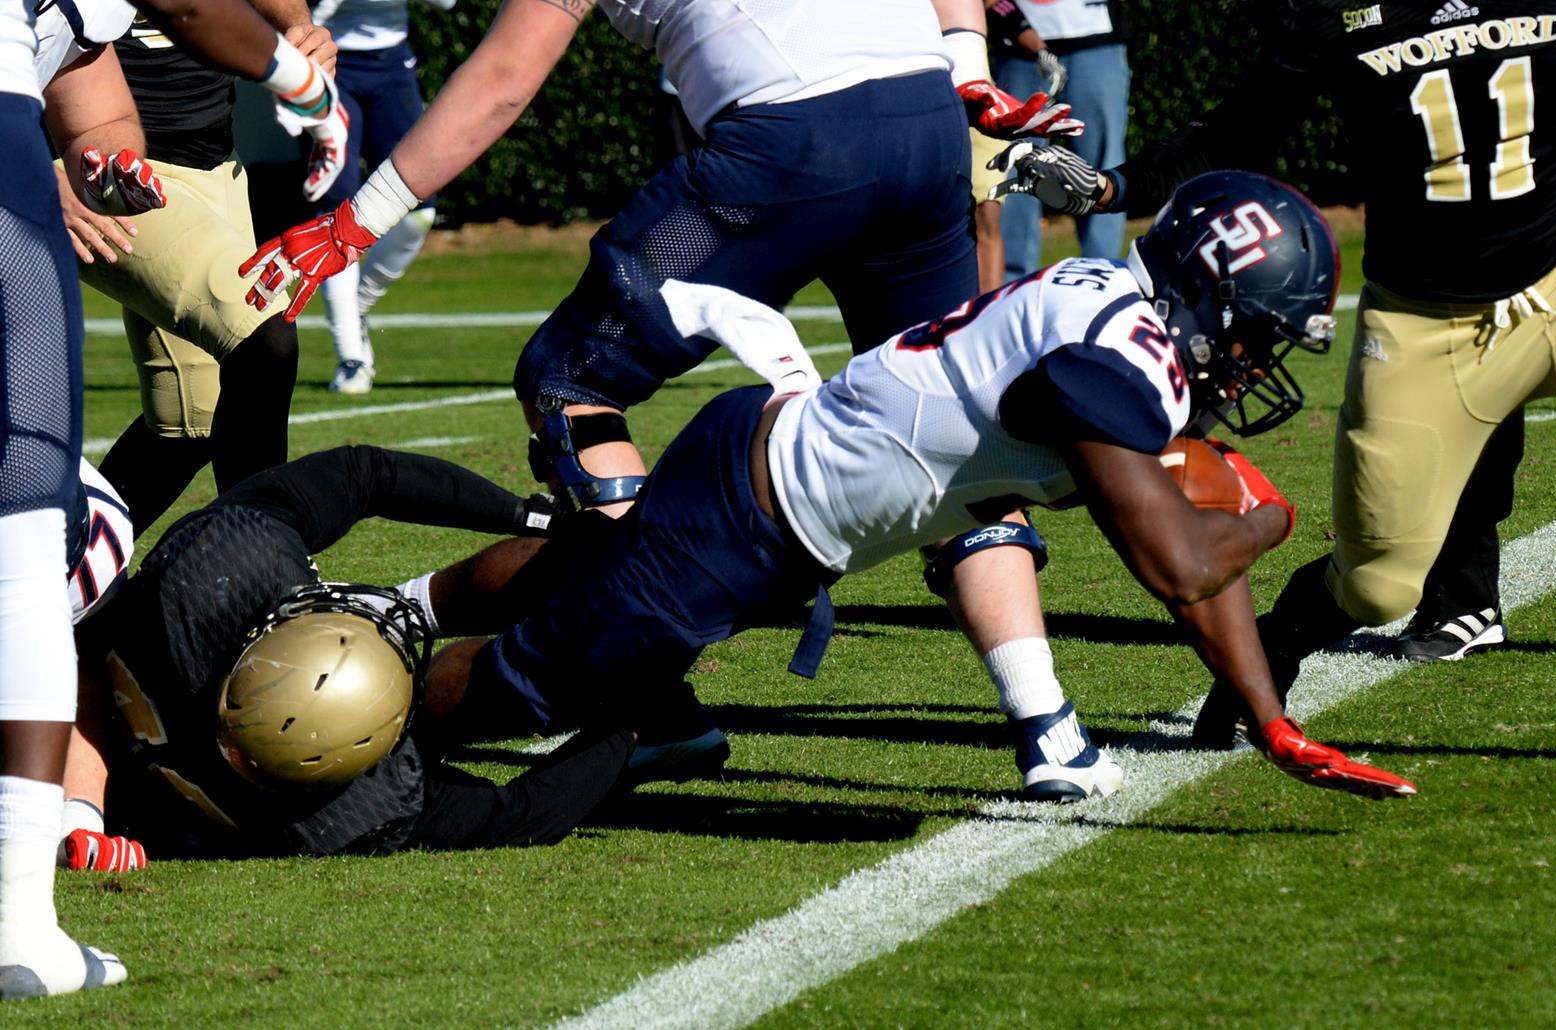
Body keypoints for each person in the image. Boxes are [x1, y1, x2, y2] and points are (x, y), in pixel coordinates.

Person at [240, 0, 1122, 803]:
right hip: (927, 132)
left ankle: (652, 698)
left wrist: (360, 218)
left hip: (789, 146)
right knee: (951, 425)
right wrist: (968, 70)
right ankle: (1048, 726)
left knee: (572, 377)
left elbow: (503, 84)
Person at [439, 171, 1416, 804]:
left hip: (760, 482)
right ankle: (351, 722)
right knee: (530, 681)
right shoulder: (1117, 363)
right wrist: (1274, 520)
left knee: (579, 575)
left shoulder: (1107, 303)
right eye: (1251, 340)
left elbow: (1196, 544)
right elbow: (1181, 559)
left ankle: (400, 609)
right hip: (742, 523)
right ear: (1208, 305)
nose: (1252, 371)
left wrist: (1272, 719)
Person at [992, 2, 1556, 741]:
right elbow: (1235, 135)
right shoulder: (1338, 16)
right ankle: (1277, 647)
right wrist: (1109, 188)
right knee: (1379, 586)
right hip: (1427, 322)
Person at [1, 0, 345, 999]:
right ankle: (256, 600)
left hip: (176, 173)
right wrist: (299, 83)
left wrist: (88, 157)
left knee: (168, 436)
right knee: (39, 516)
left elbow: (99, 98)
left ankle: (102, 675)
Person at [68, 446, 648, 860]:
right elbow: (526, 813)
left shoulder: (206, 575)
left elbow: (525, 812)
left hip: (127, 770)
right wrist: (632, 722)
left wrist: (624, 730)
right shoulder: (355, 812)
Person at [78, 0, 342, 536]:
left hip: (217, 166)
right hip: (106, 166)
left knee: (192, 425)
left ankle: (64, 582)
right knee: (262, 334)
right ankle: (269, 574)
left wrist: (296, 24)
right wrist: (298, 80)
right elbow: (188, 7)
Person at [308, 0, 456, 394]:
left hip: (393, 66)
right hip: (332, 62)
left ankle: (355, 305)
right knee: (335, 210)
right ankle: (351, 358)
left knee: (419, 209)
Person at [989, 0, 1129, 275]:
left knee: (1103, 170)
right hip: (1017, 49)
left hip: (1096, 40)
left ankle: (1102, 280)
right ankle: (1012, 286)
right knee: (1015, 170)